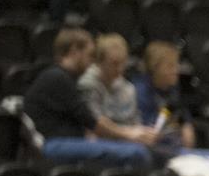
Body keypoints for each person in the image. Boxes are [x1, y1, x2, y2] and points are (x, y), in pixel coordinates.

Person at [23, 28, 156, 167]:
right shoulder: (57, 77)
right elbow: (92, 122)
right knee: (136, 153)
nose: (92, 62)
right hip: (51, 143)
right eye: (90, 55)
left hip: (64, 141)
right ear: (75, 51)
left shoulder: (65, 77)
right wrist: (130, 134)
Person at [133, 42, 199, 153]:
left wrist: (186, 125)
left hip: (174, 147)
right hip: (155, 150)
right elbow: (150, 131)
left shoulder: (172, 89)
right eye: (170, 66)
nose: (176, 70)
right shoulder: (140, 92)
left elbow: (182, 113)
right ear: (155, 68)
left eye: (176, 65)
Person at [78, 34, 142, 130]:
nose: (120, 69)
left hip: (126, 138)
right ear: (99, 62)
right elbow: (94, 125)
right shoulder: (87, 85)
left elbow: (134, 122)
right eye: (114, 64)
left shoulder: (128, 89)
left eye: (123, 62)